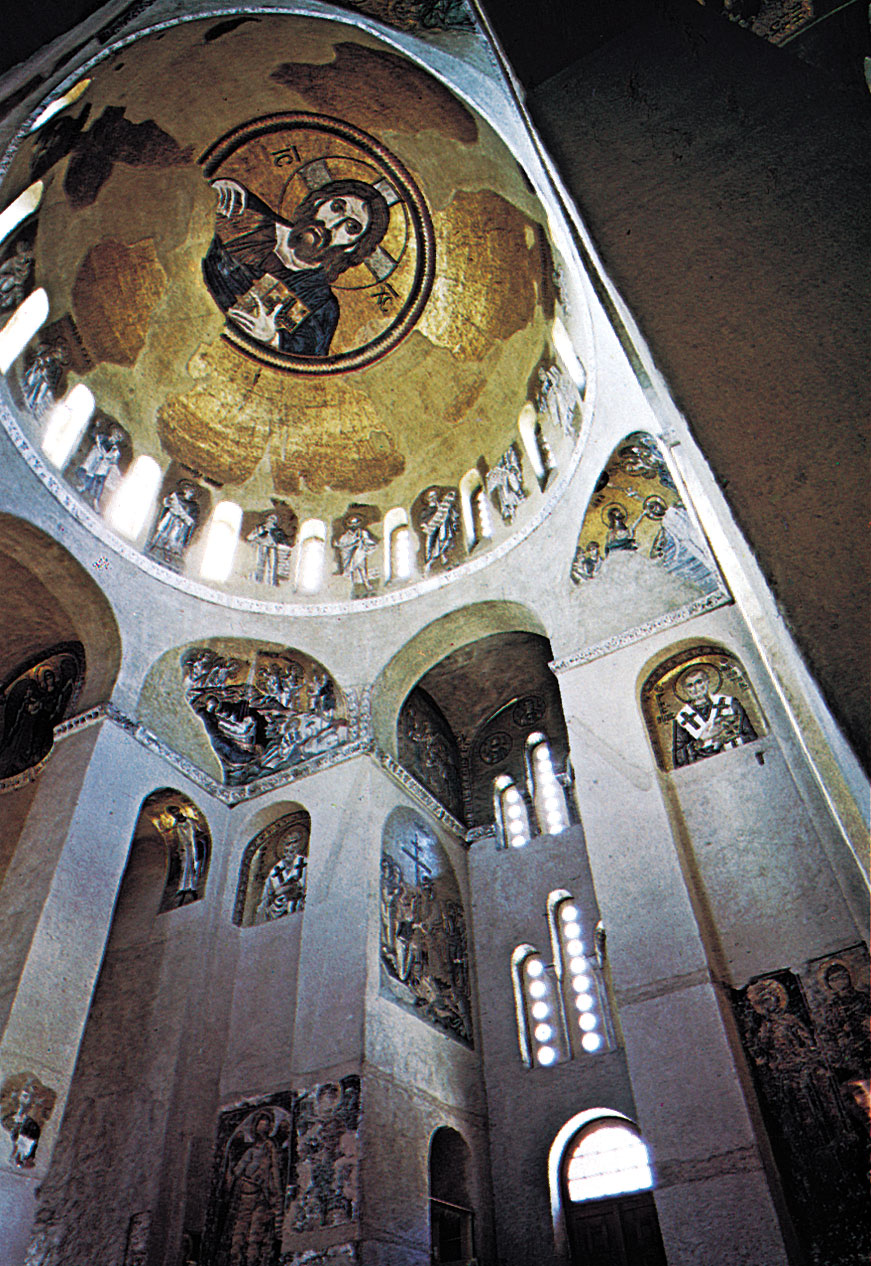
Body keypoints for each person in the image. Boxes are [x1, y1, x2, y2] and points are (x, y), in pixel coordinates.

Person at [203, 177, 390, 357]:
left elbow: (310, 359)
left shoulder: (321, 304)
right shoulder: (248, 215)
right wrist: (213, 191)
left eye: (351, 227)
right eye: (337, 207)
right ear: (319, 202)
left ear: (352, 247)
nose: (332, 225)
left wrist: (273, 339)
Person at [223, 1112, 284, 1266]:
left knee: (256, 1231)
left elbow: (274, 1169)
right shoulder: (251, 1151)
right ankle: (236, 1259)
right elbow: (240, 1167)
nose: (262, 1128)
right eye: (260, 1125)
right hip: (246, 1192)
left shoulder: (269, 1147)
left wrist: (276, 1192)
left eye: (266, 1125)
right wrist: (231, 1175)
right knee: (240, 1228)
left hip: (262, 1193)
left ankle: (252, 1260)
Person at [672, 664, 757, 766]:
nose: (696, 688)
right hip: (706, 766)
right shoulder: (682, 717)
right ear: (685, 690)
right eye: (690, 685)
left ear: (707, 681)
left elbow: (751, 736)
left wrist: (726, 738)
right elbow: (680, 758)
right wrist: (702, 740)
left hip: (738, 758)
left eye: (699, 682)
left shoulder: (729, 703)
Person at [256, 829, 307, 922]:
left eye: (294, 842)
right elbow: (265, 900)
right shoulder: (274, 872)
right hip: (278, 917)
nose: (290, 848)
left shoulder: (306, 865)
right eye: (287, 844)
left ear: (299, 845)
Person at [147, 483, 200, 568]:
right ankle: (151, 548)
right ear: (186, 490)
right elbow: (167, 504)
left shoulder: (194, 506)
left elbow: (192, 519)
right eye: (190, 491)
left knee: (173, 539)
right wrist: (168, 501)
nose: (191, 493)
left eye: (193, 492)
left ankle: (168, 556)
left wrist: (185, 517)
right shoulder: (177, 497)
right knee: (162, 533)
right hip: (170, 518)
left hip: (180, 524)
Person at [73, 424, 124, 509]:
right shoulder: (102, 438)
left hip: (103, 466)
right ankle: (83, 487)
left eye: (118, 438)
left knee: (99, 482)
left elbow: (114, 460)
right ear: (112, 433)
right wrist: (101, 453)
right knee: (89, 474)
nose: (115, 438)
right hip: (95, 460)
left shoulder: (115, 449)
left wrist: (109, 459)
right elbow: (97, 442)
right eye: (116, 435)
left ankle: (95, 500)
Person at [419, 489, 459, 572]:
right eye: (431, 497)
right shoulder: (425, 511)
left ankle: (447, 559)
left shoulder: (441, 507)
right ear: (428, 499)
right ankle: (431, 564)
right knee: (432, 548)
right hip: (432, 533)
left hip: (443, 530)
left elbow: (448, 515)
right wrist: (427, 526)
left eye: (434, 496)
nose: (433, 498)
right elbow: (423, 524)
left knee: (445, 542)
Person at [335, 514, 377, 591]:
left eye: (355, 523)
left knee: (362, 569)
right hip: (349, 557)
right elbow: (343, 546)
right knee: (350, 570)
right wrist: (353, 544)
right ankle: (350, 585)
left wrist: (367, 542)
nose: (354, 525)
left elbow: (367, 541)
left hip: (360, 553)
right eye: (352, 523)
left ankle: (366, 584)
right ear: (348, 525)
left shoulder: (363, 533)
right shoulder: (345, 536)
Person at [247, 513, 292, 585]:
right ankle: (257, 580)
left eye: (273, 519)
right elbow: (250, 537)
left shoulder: (277, 530)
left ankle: (270, 582)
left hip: (272, 548)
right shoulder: (260, 528)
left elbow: (283, 541)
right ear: (267, 519)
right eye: (270, 518)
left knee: (272, 565)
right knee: (259, 563)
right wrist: (259, 534)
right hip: (262, 546)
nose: (271, 521)